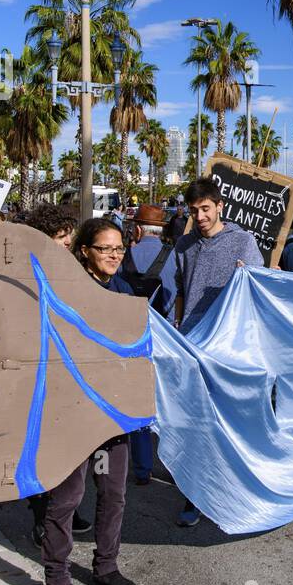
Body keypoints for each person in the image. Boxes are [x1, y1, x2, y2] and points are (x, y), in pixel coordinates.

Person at [41, 217, 139, 585]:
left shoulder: (125, 289)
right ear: (85, 251)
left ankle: (106, 567)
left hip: (114, 414)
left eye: (119, 249)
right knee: (67, 498)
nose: (115, 255)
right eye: (106, 248)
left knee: (113, 494)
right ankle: (57, 577)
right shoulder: (63, 292)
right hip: (72, 413)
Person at [172, 177, 263, 526]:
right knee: (195, 425)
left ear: (219, 206)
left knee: (230, 423)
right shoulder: (183, 245)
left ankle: (233, 493)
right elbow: (179, 290)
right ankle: (194, 496)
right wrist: (178, 328)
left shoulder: (243, 241)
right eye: (194, 211)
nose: (201, 217)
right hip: (193, 347)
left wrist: (248, 276)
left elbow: (259, 286)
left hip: (231, 350)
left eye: (206, 209)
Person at [19, 204, 91, 546]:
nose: (67, 242)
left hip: (67, 373)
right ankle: (42, 517)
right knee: (38, 447)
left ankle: (66, 507)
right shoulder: (26, 272)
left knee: (67, 449)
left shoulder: (73, 269)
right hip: (36, 373)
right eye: (61, 237)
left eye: (69, 236)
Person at [121, 205, 176, 486]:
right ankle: (174, 465)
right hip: (167, 341)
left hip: (134, 341)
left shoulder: (126, 256)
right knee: (170, 406)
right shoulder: (174, 256)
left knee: (139, 406)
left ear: (139, 229)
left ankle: (142, 469)